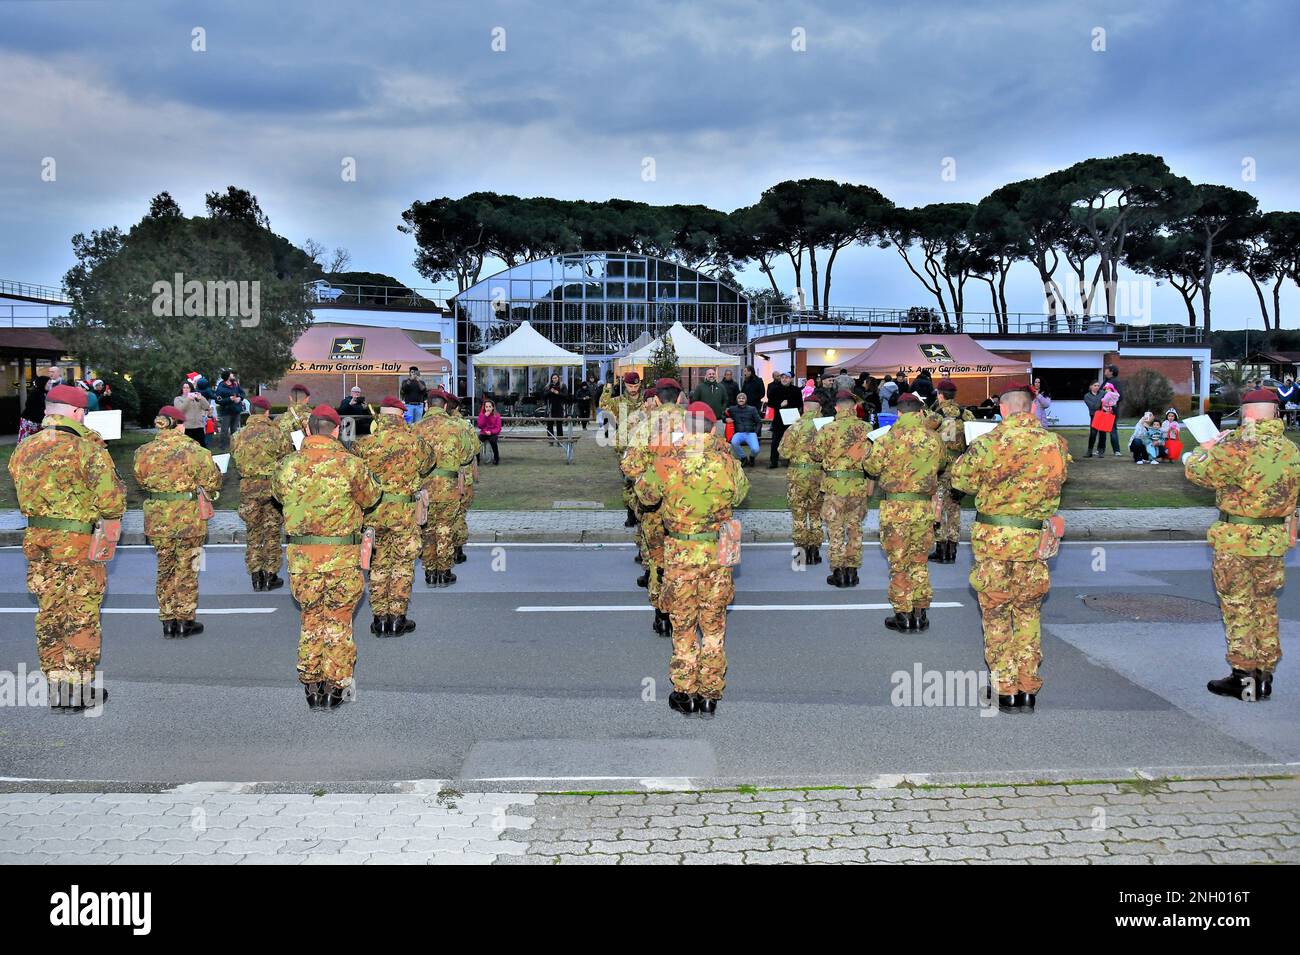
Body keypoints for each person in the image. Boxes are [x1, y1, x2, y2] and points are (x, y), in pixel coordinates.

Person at [950, 385, 1071, 711]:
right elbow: (1060, 479)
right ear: (1031, 410)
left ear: (1002, 410)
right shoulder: (1054, 444)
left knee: (997, 613)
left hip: (994, 545)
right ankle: (1029, 687)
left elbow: (959, 482)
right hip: (1034, 544)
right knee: (1028, 613)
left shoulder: (987, 443)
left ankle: (1005, 687)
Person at [8, 383, 125, 709]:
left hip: (38, 543)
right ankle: (79, 689)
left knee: (49, 613)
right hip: (77, 545)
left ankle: (57, 685)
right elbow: (112, 503)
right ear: (76, 412)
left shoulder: (23, 449)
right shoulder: (87, 450)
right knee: (81, 615)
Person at [1185, 388, 1300, 702]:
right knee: (1265, 604)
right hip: (1273, 541)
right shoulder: (1291, 449)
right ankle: (1264, 676)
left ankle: (1243, 678)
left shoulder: (1237, 446)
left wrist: (1208, 447)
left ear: (1247, 414)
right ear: (1275, 413)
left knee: (1238, 606)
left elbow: (1197, 472)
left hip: (1237, 540)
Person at [634, 402, 749, 717]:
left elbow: (645, 497)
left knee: (683, 625)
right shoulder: (728, 463)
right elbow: (739, 496)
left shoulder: (666, 462)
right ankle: (711, 693)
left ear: (683, 428)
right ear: (713, 430)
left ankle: (685, 692)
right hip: (719, 551)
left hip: (682, 553)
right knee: (713, 627)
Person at [273, 404, 382, 708]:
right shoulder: (351, 464)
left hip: (302, 560)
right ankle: (336, 687)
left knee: (310, 618)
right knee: (337, 618)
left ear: (308, 429)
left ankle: (311, 685)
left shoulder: (287, 466)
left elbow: (278, 495)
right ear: (336, 429)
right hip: (341, 557)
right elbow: (372, 497)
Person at [133, 405, 222, 639]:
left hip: (158, 520)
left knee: (164, 568)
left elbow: (141, 481)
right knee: (189, 568)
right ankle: (185, 620)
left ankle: (168, 620)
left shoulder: (143, 452)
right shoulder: (196, 451)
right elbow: (212, 483)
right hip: (189, 520)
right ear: (180, 425)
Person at [353, 396, 434, 637]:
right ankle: (397, 619)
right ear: (402, 415)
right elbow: (428, 465)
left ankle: (379, 619)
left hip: (374, 514)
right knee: (402, 565)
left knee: (378, 564)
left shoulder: (364, 444)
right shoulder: (415, 442)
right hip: (405, 514)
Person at [867, 393, 944, 632]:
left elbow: (870, 467)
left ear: (899, 413)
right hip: (922, 508)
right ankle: (920, 613)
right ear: (920, 412)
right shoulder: (933, 439)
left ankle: (903, 615)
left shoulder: (886, 439)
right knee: (919, 561)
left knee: (899, 563)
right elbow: (940, 465)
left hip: (895, 509)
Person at [622, 379, 688, 634]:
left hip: (655, 504)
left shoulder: (646, 424)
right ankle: (683, 606)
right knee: (682, 557)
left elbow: (628, 466)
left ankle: (661, 613)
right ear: (680, 397)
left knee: (657, 557)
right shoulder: (694, 423)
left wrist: (649, 476)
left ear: (657, 399)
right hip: (687, 504)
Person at [812, 390, 874, 588]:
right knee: (855, 527)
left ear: (837, 407)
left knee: (836, 528)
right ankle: (852, 572)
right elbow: (873, 458)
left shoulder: (827, 428)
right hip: (857, 486)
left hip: (835, 486)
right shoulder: (867, 428)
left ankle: (838, 572)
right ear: (854, 407)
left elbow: (815, 454)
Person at [231, 396, 292, 592]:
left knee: (253, 532)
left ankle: (256, 575)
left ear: (251, 412)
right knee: (272, 532)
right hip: (271, 488)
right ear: (267, 412)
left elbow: (236, 461)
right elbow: (286, 460)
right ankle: (270, 575)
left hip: (248, 488)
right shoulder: (277, 434)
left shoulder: (237, 436)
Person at [414, 389, 469, 587]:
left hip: (424, 486)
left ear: (427, 406)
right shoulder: (456, 427)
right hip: (448, 486)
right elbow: (468, 455)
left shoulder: (415, 428)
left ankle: (430, 572)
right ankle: (445, 571)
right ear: (445, 406)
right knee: (445, 527)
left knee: (427, 529)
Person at [928, 378, 973, 563]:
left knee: (937, 506)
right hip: (959, 467)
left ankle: (941, 548)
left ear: (940, 395)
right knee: (954, 507)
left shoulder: (935, 415)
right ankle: (952, 548)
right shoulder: (966, 414)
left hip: (940, 467)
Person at [778, 403, 825, 566]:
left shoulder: (794, 427)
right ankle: (815, 551)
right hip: (818, 475)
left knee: (799, 514)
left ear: (803, 409)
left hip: (798, 475)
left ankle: (801, 554)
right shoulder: (825, 427)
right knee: (815, 513)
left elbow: (784, 452)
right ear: (819, 410)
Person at [599, 372, 643, 526]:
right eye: (630, 386)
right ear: (624, 385)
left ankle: (641, 513)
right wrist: (608, 387)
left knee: (643, 482)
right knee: (628, 482)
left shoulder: (646, 402)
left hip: (642, 449)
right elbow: (603, 405)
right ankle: (630, 513)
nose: (633, 389)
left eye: (636, 386)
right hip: (624, 448)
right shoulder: (618, 401)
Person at [445, 393, 479, 566]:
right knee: (459, 513)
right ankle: (457, 549)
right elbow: (476, 448)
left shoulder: (439, 425)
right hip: (463, 477)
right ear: (457, 407)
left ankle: (444, 552)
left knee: (442, 516)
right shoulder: (464, 425)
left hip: (441, 479)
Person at [765, 370, 804, 468]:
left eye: (786, 378)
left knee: (792, 440)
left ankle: (790, 460)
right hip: (779, 419)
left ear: (790, 379)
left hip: (792, 418)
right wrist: (780, 404)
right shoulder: (775, 389)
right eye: (782, 377)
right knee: (776, 441)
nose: (784, 379)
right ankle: (773, 461)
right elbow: (770, 403)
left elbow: (800, 404)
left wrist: (789, 402)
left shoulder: (796, 390)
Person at [725, 391, 761, 467]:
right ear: (737, 400)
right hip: (739, 432)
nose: (741, 400)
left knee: (756, 449)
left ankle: (752, 457)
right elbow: (723, 414)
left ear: (746, 400)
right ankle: (743, 457)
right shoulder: (732, 409)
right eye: (739, 398)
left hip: (750, 433)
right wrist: (725, 419)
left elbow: (759, 422)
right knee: (734, 442)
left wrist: (756, 432)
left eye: (743, 398)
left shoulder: (752, 409)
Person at [214, 369, 245, 450]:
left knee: (234, 429)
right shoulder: (221, 387)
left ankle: (234, 445)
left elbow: (242, 393)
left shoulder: (236, 384)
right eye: (231, 374)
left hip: (236, 410)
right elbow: (218, 400)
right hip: (226, 412)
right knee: (224, 430)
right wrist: (229, 399)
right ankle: (222, 446)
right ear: (228, 376)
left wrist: (240, 398)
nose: (233, 375)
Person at [175, 379, 211, 446]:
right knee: (189, 450)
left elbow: (207, 407)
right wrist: (188, 399)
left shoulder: (197, 397)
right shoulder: (178, 399)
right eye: (184, 387)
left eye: (188, 387)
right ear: (181, 389)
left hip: (199, 427)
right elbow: (180, 410)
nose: (186, 389)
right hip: (186, 428)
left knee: (202, 448)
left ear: (191, 389)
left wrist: (201, 398)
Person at [18, 373, 49, 442]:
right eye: (48, 383)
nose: (49, 385)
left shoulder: (44, 393)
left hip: (37, 422)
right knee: (26, 442)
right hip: (30, 422)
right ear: (43, 383)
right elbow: (29, 406)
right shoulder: (35, 393)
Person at [1102, 365, 1123, 456]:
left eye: (1106, 370)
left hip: (1112, 409)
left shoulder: (1115, 382)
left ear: (1111, 372)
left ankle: (1116, 450)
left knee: (1112, 429)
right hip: (1104, 408)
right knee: (1102, 428)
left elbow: (1120, 396)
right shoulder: (1106, 381)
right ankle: (1101, 450)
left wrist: (1111, 403)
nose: (1105, 371)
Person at [1083, 381, 1107, 458]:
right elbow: (1092, 407)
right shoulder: (1087, 396)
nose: (1097, 387)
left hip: (1103, 415)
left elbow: (1109, 401)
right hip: (1094, 416)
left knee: (1103, 434)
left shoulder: (1103, 393)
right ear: (1091, 387)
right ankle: (1089, 451)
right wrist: (1101, 401)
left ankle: (1101, 451)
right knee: (1093, 434)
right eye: (1095, 385)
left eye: (1098, 385)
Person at [476, 398, 502, 465]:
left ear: (493, 407)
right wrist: (485, 417)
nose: (488, 408)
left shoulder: (497, 415)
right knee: (476, 442)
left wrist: (491, 432)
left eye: (490, 406)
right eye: (486, 407)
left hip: (493, 433)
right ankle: (477, 460)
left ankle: (496, 458)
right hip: (484, 433)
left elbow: (498, 428)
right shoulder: (482, 415)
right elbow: (480, 426)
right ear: (484, 408)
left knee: (493, 441)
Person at [544, 373, 568, 441]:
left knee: (559, 424)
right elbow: (544, 396)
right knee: (549, 425)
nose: (554, 379)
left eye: (555, 378)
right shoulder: (548, 386)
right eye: (553, 378)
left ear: (558, 378)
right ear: (551, 379)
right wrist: (550, 392)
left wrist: (558, 393)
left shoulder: (562, 385)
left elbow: (566, 395)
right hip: (550, 407)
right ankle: (551, 440)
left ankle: (560, 440)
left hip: (559, 407)